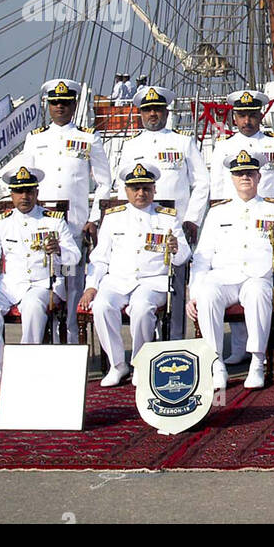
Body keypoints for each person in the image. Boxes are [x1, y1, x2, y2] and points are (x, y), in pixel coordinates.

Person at [187, 150, 274, 389]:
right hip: (225, 277)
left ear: (259, 177)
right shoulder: (218, 212)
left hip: (261, 277)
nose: (245, 177)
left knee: (259, 293)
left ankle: (257, 362)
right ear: (232, 178)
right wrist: (194, 293)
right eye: (239, 173)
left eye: (249, 173)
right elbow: (202, 256)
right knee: (207, 294)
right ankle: (216, 364)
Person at [209, 89, 274, 364]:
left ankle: (256, 352)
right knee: (231, 273)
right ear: (234, 117)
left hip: (268, 218)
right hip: (232, 219)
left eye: (252, 114)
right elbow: (215, 187)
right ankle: (238, 348)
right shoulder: (223, 147)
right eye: (242, 115)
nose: (247, 120)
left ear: (260, 115)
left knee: (259, 283)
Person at [80, 162, 191, 386]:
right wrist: (91, 286)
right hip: (118, 280)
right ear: (126, 190)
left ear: (154, 190)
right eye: (135, 188)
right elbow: (100, 258)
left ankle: (140, 362)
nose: (141, 193)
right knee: (101, 306)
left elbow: (184, 257)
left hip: (153, 282)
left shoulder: (168, 218)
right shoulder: (113, 218)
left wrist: (176, 248)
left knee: (141, 309)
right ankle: (117, 364)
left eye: (146, 188)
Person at [111, 85, 210, 334]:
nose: (152, 114)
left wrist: (192, 219)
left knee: (175, 288)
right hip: (140, 224)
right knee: (144, 284)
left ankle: (174, 340)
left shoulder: (183, 142)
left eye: (157, 109)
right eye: (147, 110)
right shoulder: (132, 146)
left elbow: (202, 183)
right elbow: (122, 187)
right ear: (141, 114)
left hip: (175, 225)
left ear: (166, 112)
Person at [17, 78, 111, 331]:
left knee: (73, 284)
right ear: (48, 105)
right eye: (55, 102)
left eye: (65, 102)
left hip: (74, 224)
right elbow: (25, 181)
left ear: (74, 104)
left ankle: (72, 337)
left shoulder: (89, 138)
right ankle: (51, 338)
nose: (60, 107)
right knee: (44, 281)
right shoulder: (35, 139)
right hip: (43, 223)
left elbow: (104, 183)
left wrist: (93, 218)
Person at [0, 165, 81, 388]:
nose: (25, 197)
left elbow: (75, 256)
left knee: (32, 306)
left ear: (36, 194)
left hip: (44, 283)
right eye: (19, 192)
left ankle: (25, 363)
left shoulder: (54, 220)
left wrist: (59, 250)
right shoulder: (1, 224)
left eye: (29, 192)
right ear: (11, 195)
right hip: (11, 284)